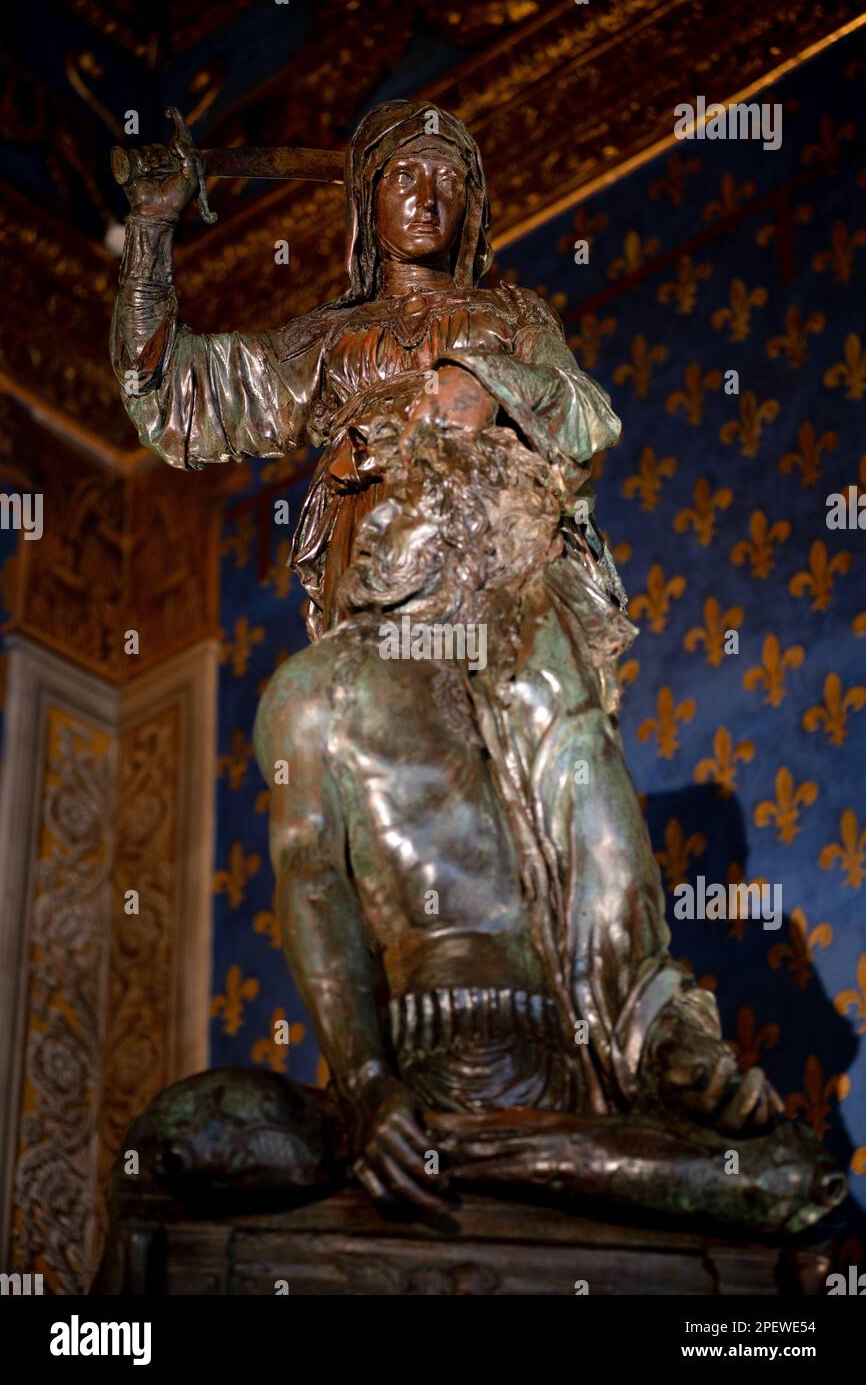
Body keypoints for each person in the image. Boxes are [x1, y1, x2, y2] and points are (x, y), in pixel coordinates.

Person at [112, 100, 790, 1221]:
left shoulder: (510, 315)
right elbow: (175, 399)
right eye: (401, 175)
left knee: (577, 785)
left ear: (468, 206)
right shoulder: (324, 345)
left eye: (446, 176)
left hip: (508, 590)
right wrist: (149, 231)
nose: (424, 193)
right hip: (381, 609)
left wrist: (492, 389)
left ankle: (649, 1041)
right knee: (376, 846)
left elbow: (586, 420)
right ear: (368, 205)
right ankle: (395, 1082)